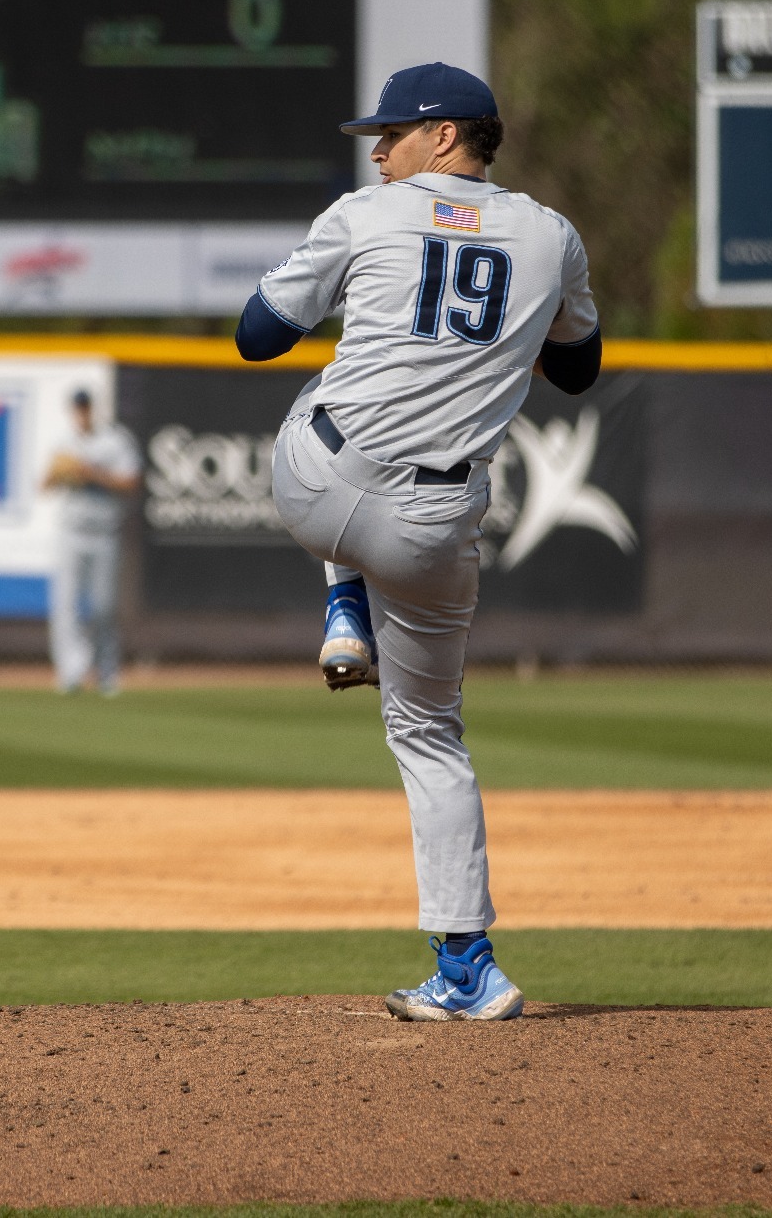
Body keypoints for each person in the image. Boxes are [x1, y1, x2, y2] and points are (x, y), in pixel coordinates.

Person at [235, 62, 603, 1021]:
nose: (378, 150)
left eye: (390, 134)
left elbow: (256, 335)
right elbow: (579, 368)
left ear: (445, 134)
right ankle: (470, 967)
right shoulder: (551, 233)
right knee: (431, 735)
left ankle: (341, 599)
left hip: (321, 487)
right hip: (438, 527)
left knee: (322, 387)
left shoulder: (364, 213)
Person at [42, 390, 141, 695]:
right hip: (71, 532)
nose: (82, 414)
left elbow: (130, 482)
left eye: (85, 408)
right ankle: (70, 673)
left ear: (93, 410)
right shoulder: (64, 442)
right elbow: (44, 485)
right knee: (66, 606)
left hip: (104, 533)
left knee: (103, 607)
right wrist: (62, 473)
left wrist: (93, 474)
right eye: (78, 409)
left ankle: (107, 673)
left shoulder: (114, 440)